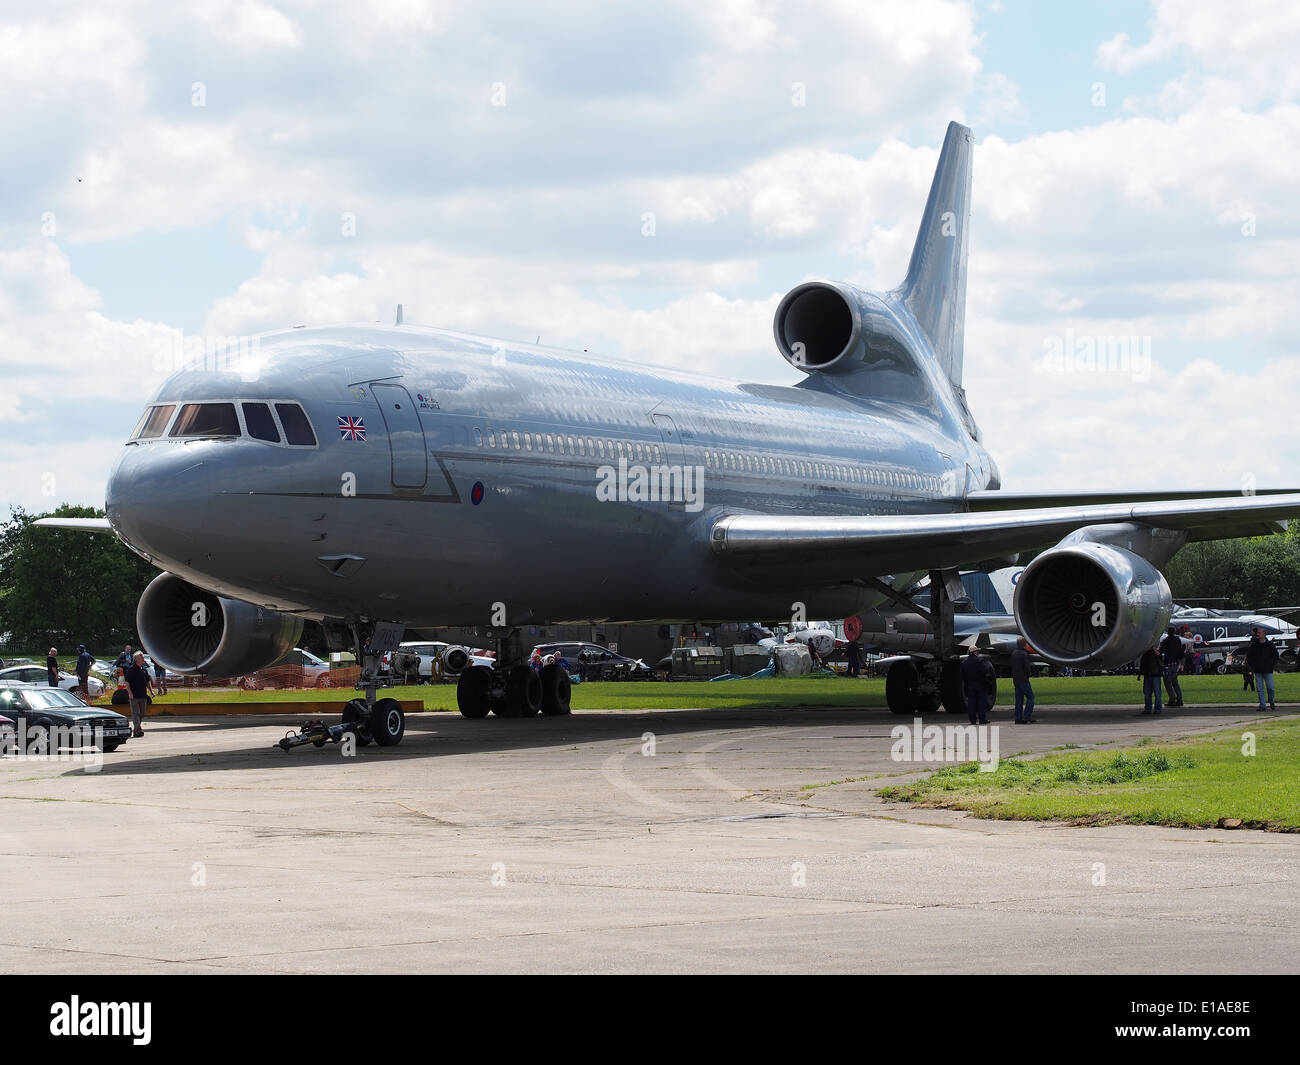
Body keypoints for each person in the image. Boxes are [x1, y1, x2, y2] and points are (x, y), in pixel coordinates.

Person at [1245, 628, 1279, 712]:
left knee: (1270, 687)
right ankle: (1262, 705)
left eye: (1259, 633)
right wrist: (1253, 665)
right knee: (1260, 688)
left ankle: (1271, 701)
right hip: (1258, 670)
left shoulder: (1270, 645)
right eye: (1257, 633)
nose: (1258, 634)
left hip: (1268, 669)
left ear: (1264, 634)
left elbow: (1276, 656)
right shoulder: (1254, 645)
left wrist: (1271, 664)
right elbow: (1249, 656)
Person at [960, 646, 994, 725]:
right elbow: (985, 670)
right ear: (975, 652)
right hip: (980, 684)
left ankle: (972, 720)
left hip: (970, 685)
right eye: (977, 651)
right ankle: (982, 719)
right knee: (981, 702)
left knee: (971, 703)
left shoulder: (964, 662)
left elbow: (963, 675)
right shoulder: (979, 661)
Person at [123, 650, 154, 738]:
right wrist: (130, 693)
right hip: (134, 696)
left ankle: (137, 729)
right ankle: (137, 730)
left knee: (142, 713)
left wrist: (151, 691)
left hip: (143, 695)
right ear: (137, 659)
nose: (143, 659)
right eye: (142, 658)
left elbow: (147, 681)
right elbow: (127, 682)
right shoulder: (131, 670)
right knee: (136, 713)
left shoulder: (143, 670)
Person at [1010, 637, 1035, 723]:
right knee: (1031, 697)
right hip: (1023, 679)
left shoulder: (1014, 653)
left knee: (1019, 699)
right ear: (1025, 644)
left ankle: (1018, 718)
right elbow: (1026, 667)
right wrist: (1029, 674)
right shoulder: (1024, 654)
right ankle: (1027, 716)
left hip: (1016, 679)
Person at [1159, 627, 1184, 707]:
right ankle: (1179, 699)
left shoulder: (1166, 641)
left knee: (1167, 683)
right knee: (1175, 682)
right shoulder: (1177, 640)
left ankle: (1172, 699)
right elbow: (1180, 651)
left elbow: (1161, 650)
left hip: (1168, 664)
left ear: (1168, 632)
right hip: (1175, 664)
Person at [1138, 643, 1164, 715]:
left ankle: (1157, 709)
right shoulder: (1146, 654)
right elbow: (1142, 664)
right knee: (1147, 693)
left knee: (1157, 693)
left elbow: (1160, 657)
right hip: (1148, 675)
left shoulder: (1156, 653)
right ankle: (1148, 708)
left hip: (1155, 675)